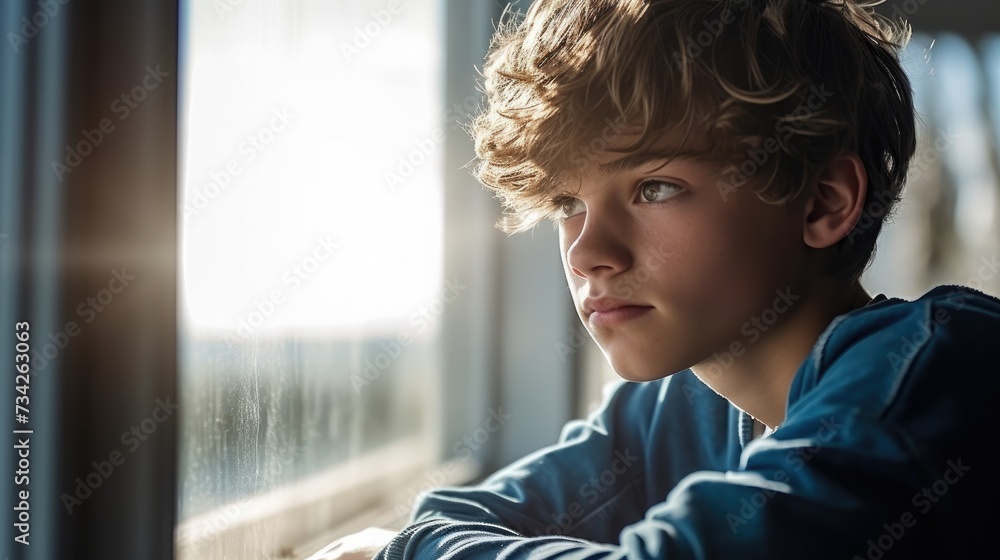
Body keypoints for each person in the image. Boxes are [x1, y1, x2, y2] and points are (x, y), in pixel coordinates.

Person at [320, 0, 1000, 558]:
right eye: (568, 204)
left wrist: (404, 555)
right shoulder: (683, 403)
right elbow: (458, 512)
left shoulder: (935, 369)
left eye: (656, 187)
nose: (588, 253)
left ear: (822, 200)